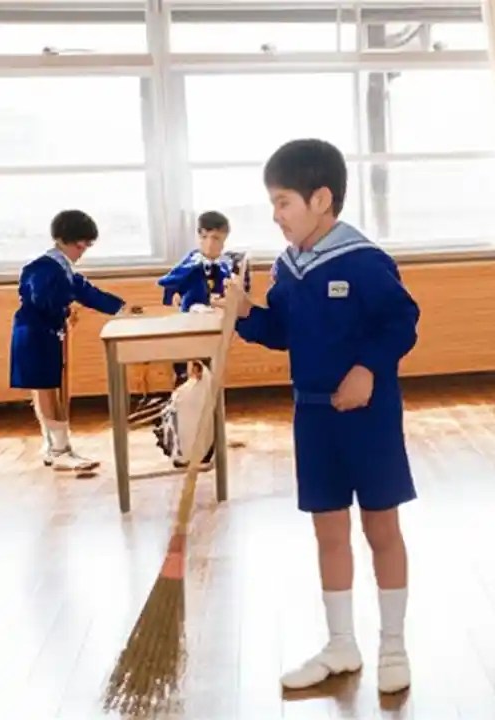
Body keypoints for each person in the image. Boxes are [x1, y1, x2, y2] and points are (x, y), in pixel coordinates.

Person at [227, 139, 420, 694]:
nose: (276, 215)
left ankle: (392, 643)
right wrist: (245, 315)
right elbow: (282, 332)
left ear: (321, 199)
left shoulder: (363, 261)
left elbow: (402, 322)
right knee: (328, 530)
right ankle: (342, 643)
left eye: (283, 202)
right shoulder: (288, 269)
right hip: (313, 419)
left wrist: (368, 368)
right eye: (273, 203)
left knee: (381, 527)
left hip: (371, 418)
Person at [9, 210, 129, 471]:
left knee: (48, 388)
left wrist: (121, 308)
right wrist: (65, 310)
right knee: (46, 390)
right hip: (34, 333)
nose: (83, 250)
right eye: (80, 245)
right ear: (63, 240)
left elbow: (87, 292)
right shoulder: (42, 267)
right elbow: (41, 299)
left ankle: (54, 446)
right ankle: (59, 449)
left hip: (47, 332)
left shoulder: (64, 269)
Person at [157, 210, 236, 385]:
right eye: (204, 237)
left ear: (224, 240)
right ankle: (181, 382)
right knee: (182, 351)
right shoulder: (192, 261)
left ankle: (206, 387)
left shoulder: (224, 265)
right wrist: (173, 295)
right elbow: (170, 281)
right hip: (189, 315)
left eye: (215, 238)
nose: (209, 244)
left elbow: (229, 286)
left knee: (208, 356)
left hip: (212, 316)